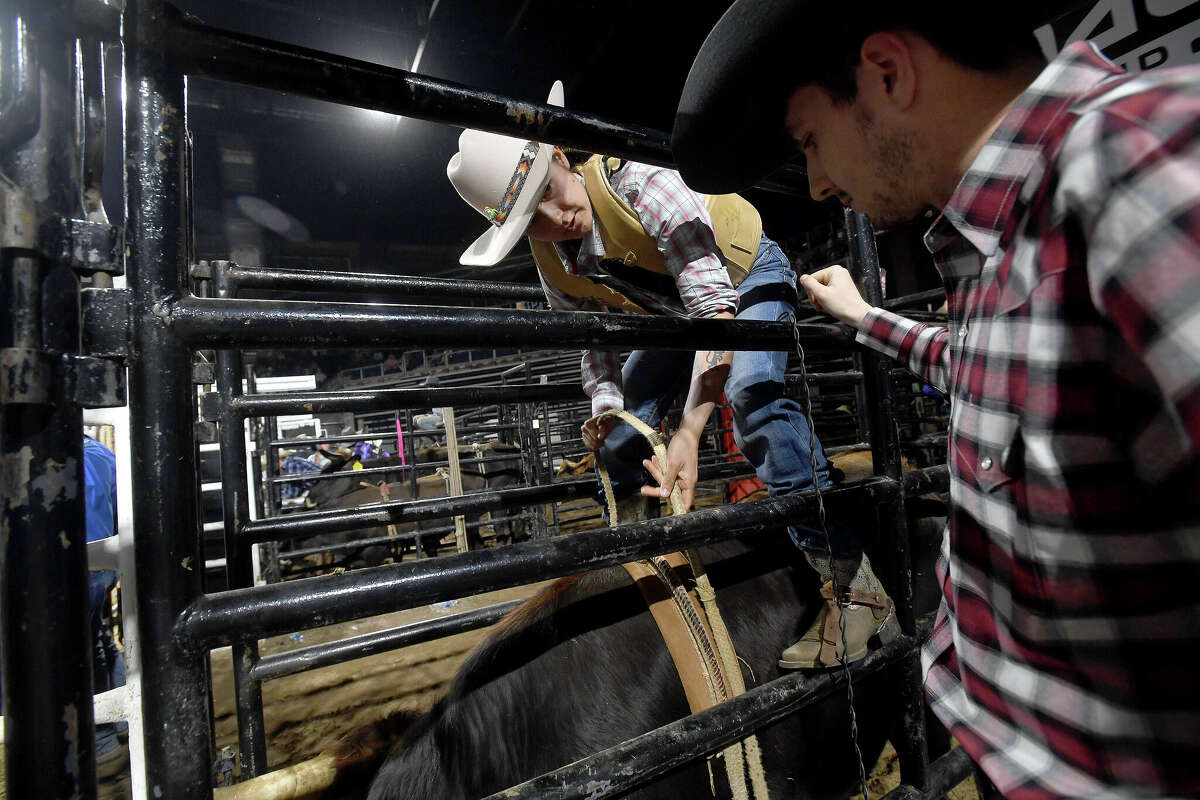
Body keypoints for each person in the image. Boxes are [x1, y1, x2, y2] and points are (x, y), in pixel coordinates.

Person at [672, 2, 1200, 797]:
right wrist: (866, 319)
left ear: (887, 73)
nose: (815, 180)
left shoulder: (1132, 156)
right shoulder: (1027, 214)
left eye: (811, 138)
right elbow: (1003, 370)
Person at [446, 81, 899, 669]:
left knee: (753, 398)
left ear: (560, 155)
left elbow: (716, 312)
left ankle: (855, 586)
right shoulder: (552, 263)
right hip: (678, 314)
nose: (557, 219)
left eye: (549, 194)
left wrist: (688, 432)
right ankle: (651, 562)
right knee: (619, 431)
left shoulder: (638, 178)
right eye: (531, 219)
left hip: (743, 276)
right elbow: (595, 341)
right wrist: (606, 409)